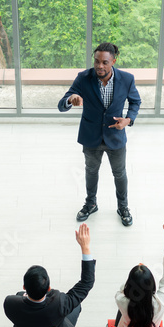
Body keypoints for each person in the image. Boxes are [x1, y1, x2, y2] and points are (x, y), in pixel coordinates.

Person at [58, 42, 141, 227]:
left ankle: (123, 207)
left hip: (116, 136)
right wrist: (71, 100)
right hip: (91, 137)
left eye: (104, 62)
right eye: (96, 61)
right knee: (91, 171)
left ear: (113, 61)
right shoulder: (83, 78)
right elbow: (61, 103)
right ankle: (91, 203)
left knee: (119, 174)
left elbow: (135, 102)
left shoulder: (127, 79)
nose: (99, 66)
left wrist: (128, 120)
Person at [3, 225, 95, 327]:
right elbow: (87, 282)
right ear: (48, 289)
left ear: (24, 287)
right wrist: (85, 247)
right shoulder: (61, 303)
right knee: (76, 306)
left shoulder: (10, 303)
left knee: (19, 295)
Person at [115, 217, 164, 327]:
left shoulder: (120, 300)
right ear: (151, 284)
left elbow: (123, 289)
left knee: (120, 313)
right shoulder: (160, 303)